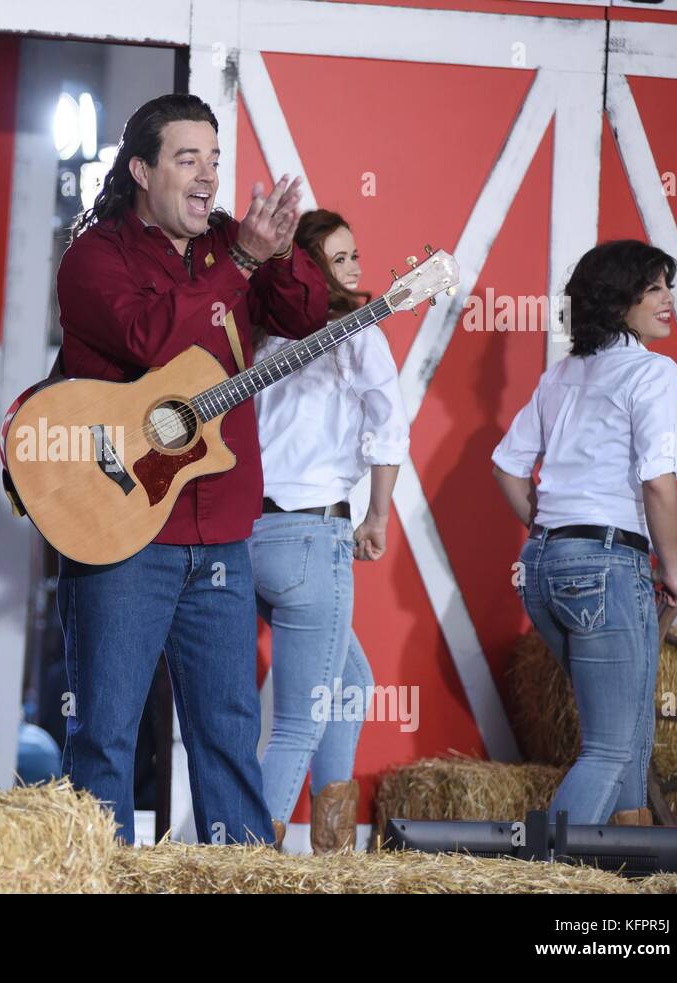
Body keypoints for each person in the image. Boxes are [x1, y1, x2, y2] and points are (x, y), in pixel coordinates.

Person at [54, 93, 328, 845]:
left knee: (230, 734)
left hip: (223, 528)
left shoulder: (228, 246)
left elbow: (305, 312)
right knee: (106, 732)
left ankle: (238, 877)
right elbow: (156, 343)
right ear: (141, 170)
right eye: (187, 158)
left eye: (214, 158)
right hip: (122, 530)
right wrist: (242, 261)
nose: (208, 174)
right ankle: (98, 874)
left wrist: (277, 249)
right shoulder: (95, 256)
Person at [492, 239, 677, 826]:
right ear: (616, 299)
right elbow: (657, 481)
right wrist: (672, 570)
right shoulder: (654, 372)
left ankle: (630, 877)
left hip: (542, 568)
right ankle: (537, 879)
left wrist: (551, 528)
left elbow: (506, 465)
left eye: (665, 286)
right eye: (652, 288)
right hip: (606, 565)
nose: (667, 299)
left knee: (628, 734)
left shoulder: (561, 376)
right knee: (611, 745)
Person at [251, 209, 408, 852]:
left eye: (355, 254)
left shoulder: (260, 335)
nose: (357, 269)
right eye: (341, 260)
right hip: (314, 537)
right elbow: (389, 425)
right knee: (296, 722)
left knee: (354, 682)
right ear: (314, 272)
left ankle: (333, 850)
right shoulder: (357, 329)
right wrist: (376, 515)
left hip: (252, 537)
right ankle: (244, 864)